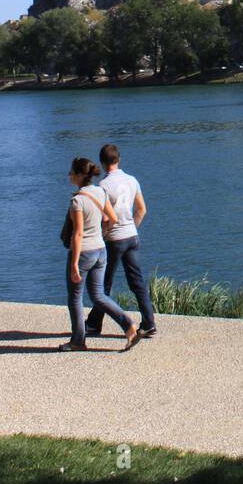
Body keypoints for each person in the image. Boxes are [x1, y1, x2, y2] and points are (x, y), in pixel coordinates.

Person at [60, 158, 137, 352]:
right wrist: (101, 231)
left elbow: (77, 234)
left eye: (71, 172)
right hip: (100, 251)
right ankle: (128, 324)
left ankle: (78, 341)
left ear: (79, 176)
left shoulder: (77, 200)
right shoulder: (100, 192)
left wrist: (75, 263)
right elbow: (112, 218)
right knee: (98, 295)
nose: (69, 175)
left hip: (84, 252)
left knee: (75, 299)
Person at [85, 144, 157, 340]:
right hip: (132, 236)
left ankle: (93, 324)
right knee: (137, 282)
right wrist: (131, 228)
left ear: (102, 162)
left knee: (103, 283)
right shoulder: (132, 180)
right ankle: (149, 323)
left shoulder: (103, 186)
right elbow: (142, 209)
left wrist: (104, 235)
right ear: (119, 160)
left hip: (114, 240)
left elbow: (106, 218)